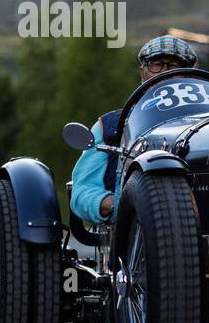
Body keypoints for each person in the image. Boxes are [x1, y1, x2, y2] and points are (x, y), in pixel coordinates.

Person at [69, 35, 198, 225]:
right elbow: (83, 190)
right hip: (131, 230)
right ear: (142, 72)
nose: (165, 72)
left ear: (189, 75)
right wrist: (117, 204)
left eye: (174, 65)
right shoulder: (110, 125)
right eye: (157, 64)